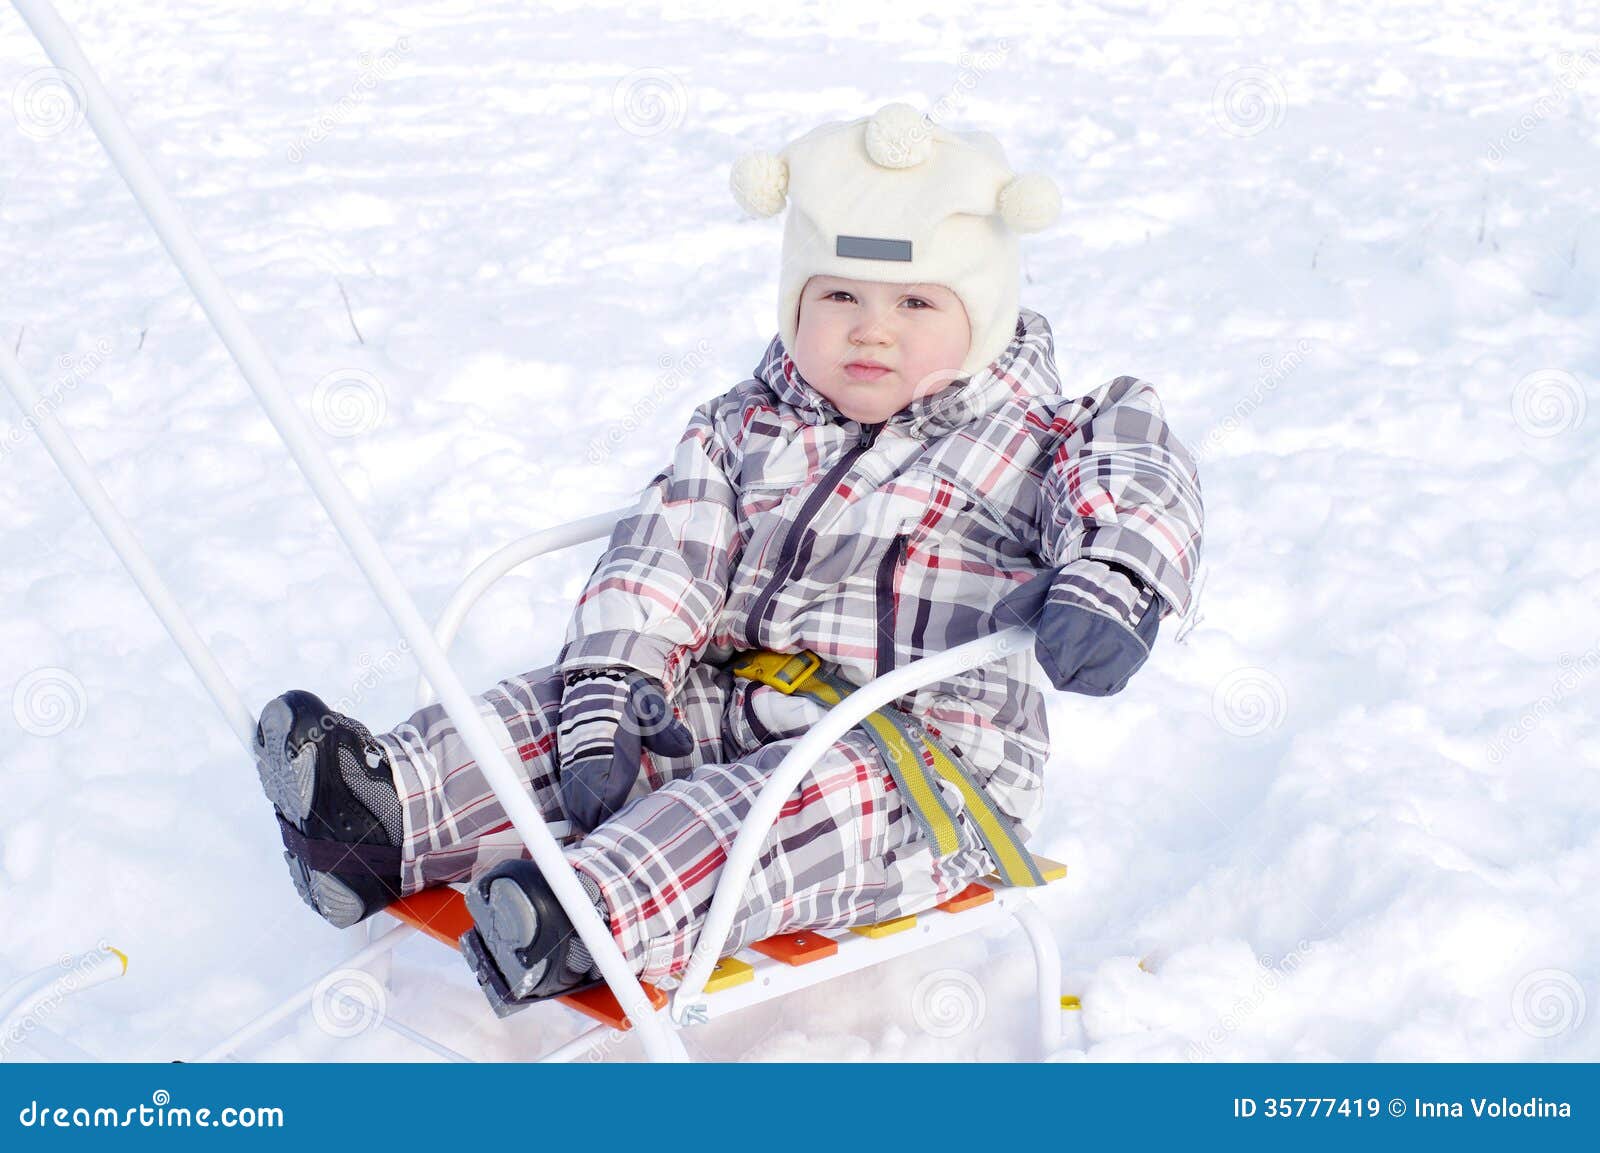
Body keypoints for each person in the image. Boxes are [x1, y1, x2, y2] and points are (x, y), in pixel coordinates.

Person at [251, 102, 1205, 1016]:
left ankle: (582, 915)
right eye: (838, 295)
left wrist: (1114, 576)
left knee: (766, 813)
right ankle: (382, 815)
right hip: (723, 698)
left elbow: (1135, 478)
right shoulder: (744, 424)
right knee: (568, 708)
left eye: (916, 299)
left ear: (986, 311)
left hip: (915, 770)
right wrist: (617, 676)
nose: (872, 327)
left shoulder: (1047, 433)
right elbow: (666, 551)